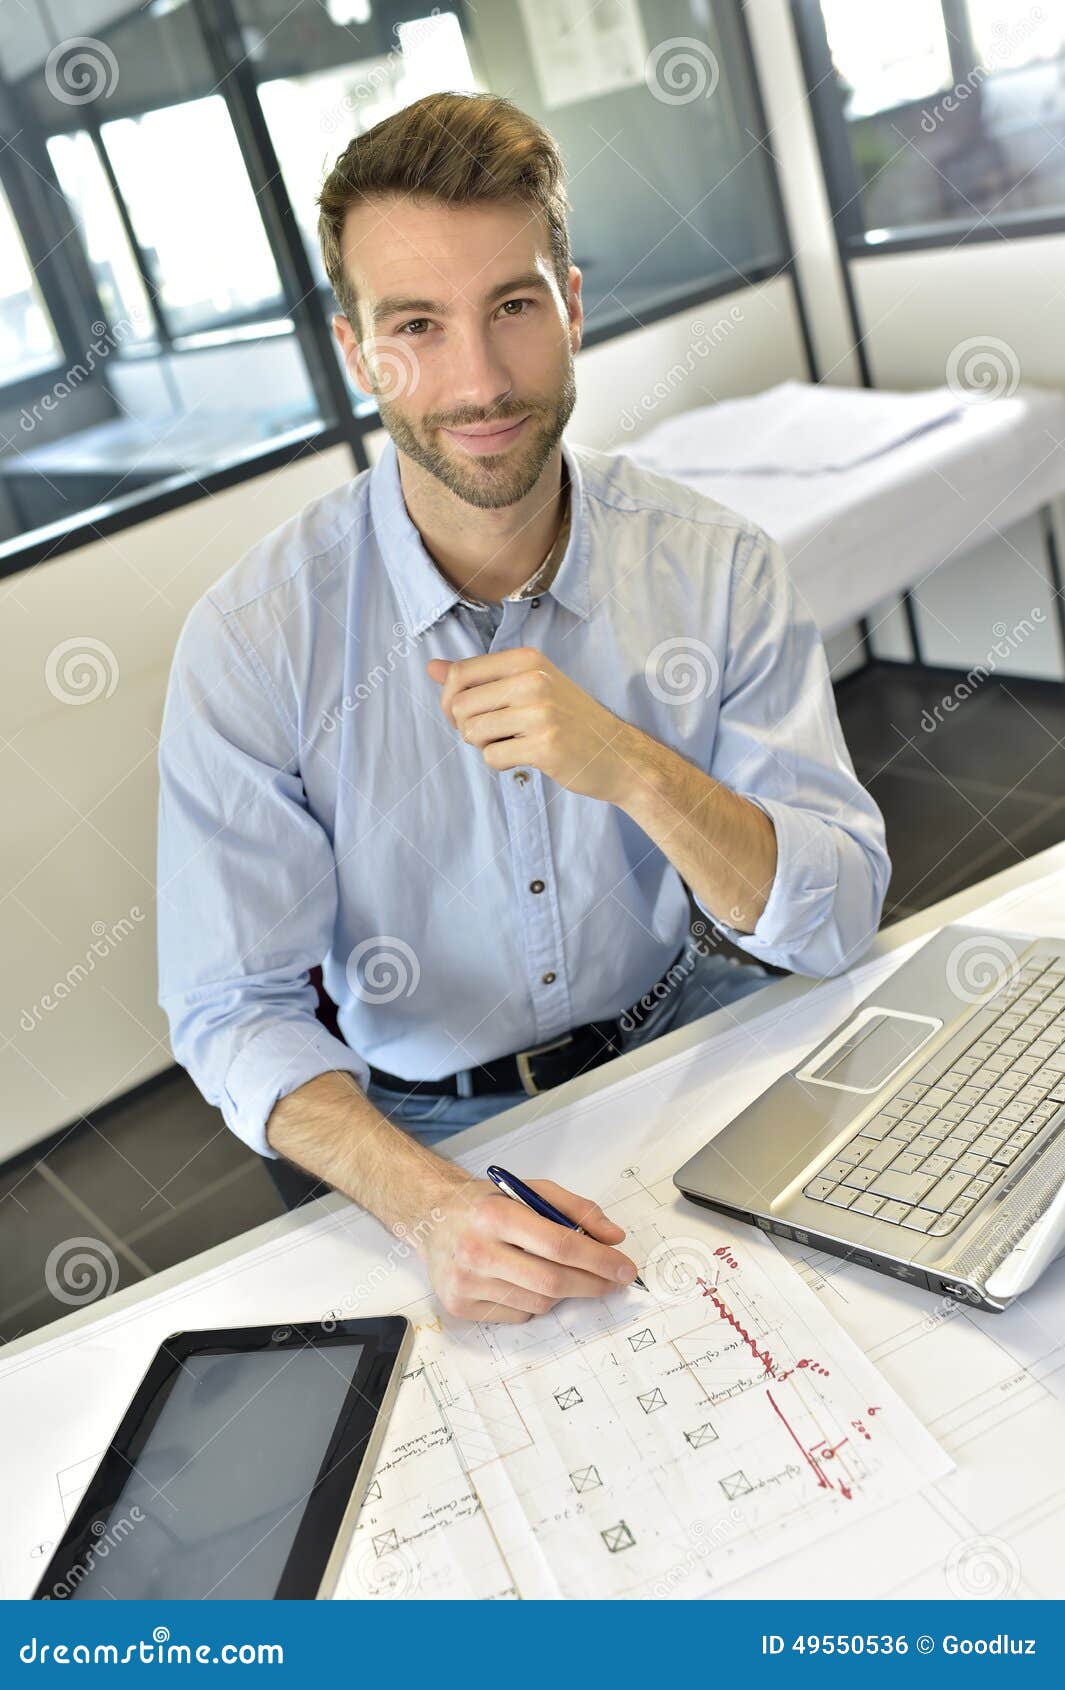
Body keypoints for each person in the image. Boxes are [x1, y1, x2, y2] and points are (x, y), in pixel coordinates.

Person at [157, 92, 890, 1327]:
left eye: (513, 308)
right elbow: (235, 1010)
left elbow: (840, 915)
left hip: (686, 1033)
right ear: (356, 353)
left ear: (573, 306)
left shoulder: (717, 565)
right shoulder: (255, 640)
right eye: (417, 326)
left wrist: (635, 767)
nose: (479, 381)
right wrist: (431, 1203)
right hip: (422, 1122)